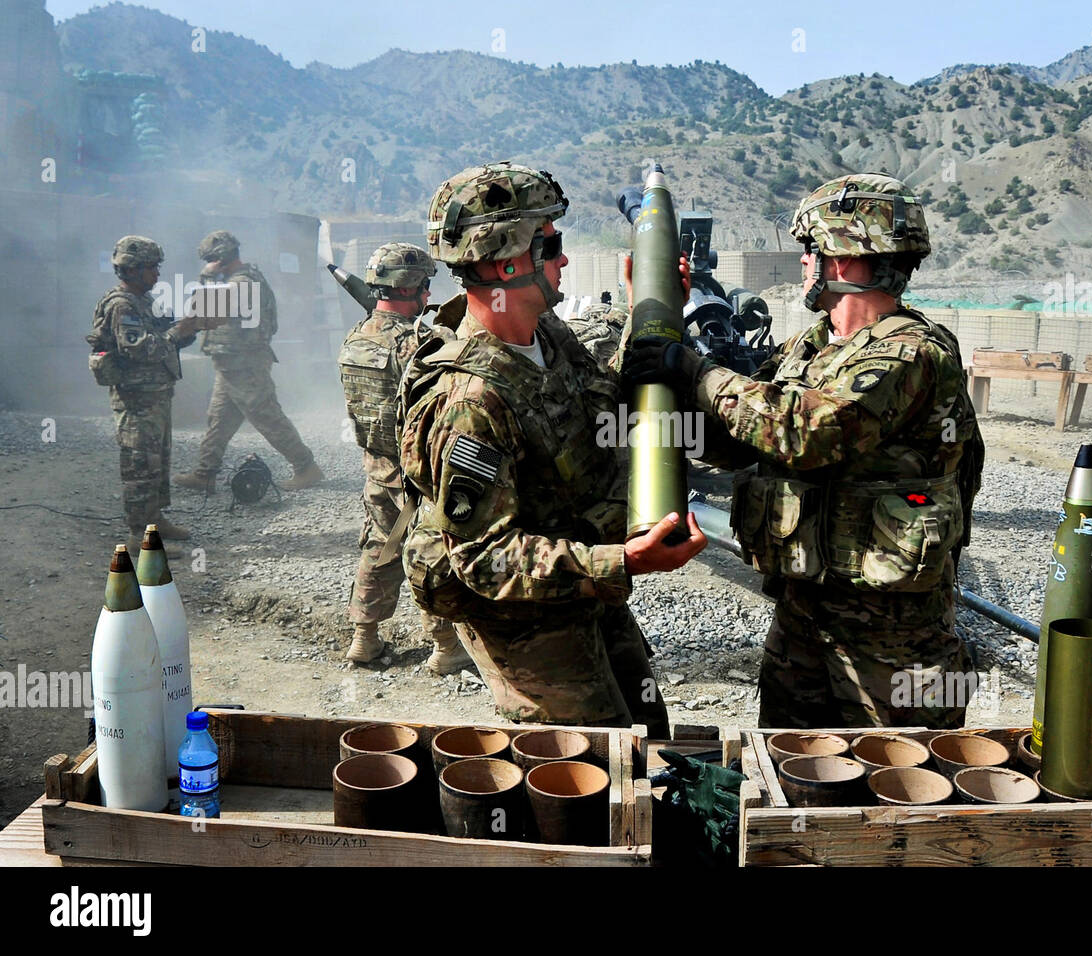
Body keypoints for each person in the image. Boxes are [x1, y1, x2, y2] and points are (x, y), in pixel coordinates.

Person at [625, 172, 985, 730]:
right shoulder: (812, 347)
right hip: (803, 612)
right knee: (794, 769)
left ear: (842, 260)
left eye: (809, 250)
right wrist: (664, 367)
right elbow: (747, 437)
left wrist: (695, 371)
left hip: (889, 634)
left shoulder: (911, 352)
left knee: (896, 784)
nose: (802, 263)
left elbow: (808, 431)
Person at [399, 162, 706, 737]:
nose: (563, 260)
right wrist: (624, 561)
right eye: (552, 244)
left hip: (581, 583)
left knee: (645, 727)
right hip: (524, 615)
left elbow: (597, 409)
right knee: (592, 762)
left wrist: (650, 309)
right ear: (507, 261)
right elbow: (483, 558)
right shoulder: (471, 399)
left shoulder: (546, 335)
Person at [336, 241, 470, 672]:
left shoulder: (355, 339)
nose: (429, 296)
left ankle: (364, 638)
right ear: (411, 286)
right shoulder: (421, 342)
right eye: (425, 287)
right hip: (418, 473)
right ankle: (446, 647)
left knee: (380, 546)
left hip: (378, 467)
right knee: (428, 552)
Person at [174, 230, 323, 493]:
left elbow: (203, 314)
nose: (207, 265)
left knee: (267, 416)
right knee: (219, 419)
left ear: (219, 259)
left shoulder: (239, 284)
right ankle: (205, 473)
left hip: (245, 365)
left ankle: (306, 467)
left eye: (209, 260)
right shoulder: (242, 280)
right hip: (233, 364)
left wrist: (206, 278)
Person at [87, 235, 203, 550]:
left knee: (158, 461)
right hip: (135, 400)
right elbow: (137, 348)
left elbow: (160, 335)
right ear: (133, 270)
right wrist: (179, 331)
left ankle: (155, 520)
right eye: (151, 268)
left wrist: (188, 328)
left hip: (154, 397)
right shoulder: (121, 304)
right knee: (139, 465)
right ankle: (140, 534)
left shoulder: (142, 301)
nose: (157, 274)